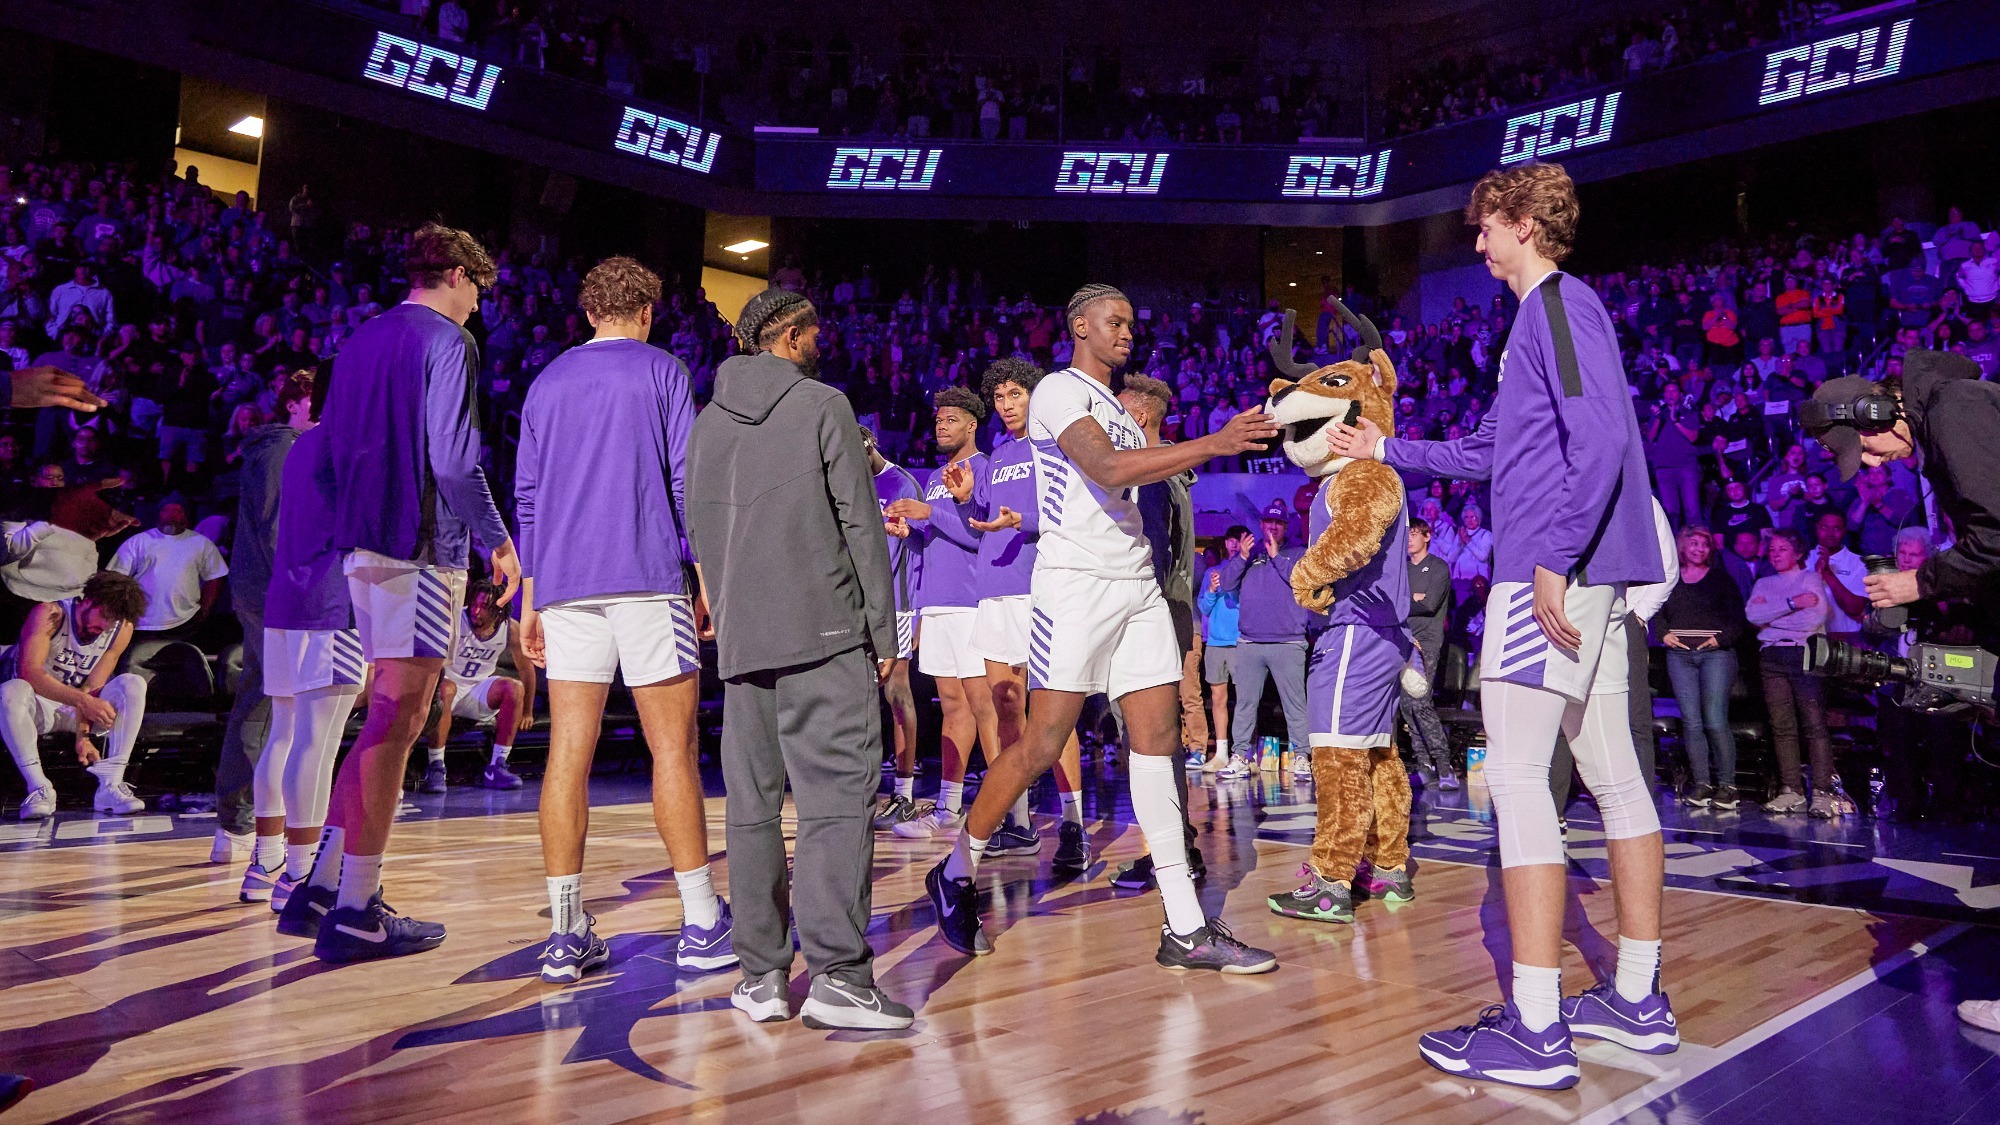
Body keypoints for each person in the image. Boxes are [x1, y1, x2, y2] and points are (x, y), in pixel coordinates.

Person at [1329, 162, 1673, 1089]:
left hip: (1551, 573)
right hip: (1598, 571)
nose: (1477, 244)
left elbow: (1598, 439)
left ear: (1523, 222)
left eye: (1486, 226)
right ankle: (1637, 998)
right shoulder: (1553, 317)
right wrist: (1386, 447)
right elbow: (1498, 448)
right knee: (1613, 776)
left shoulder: (1554, 306)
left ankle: (1533, 1023)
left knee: (1517, 776)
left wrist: (1552, 555)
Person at [924, 282, 1281, 975]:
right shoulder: (1060, 390)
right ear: (1079, 323)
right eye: (1115, 321)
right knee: (1041, 743)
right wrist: (1214, 442)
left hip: (1136, 583)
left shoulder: (1120, 406)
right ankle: (957, 866)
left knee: (1159, 745)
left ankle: (1185, 924)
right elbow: (1109, 467)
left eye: (1130, 321)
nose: (1127, 332)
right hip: (1076, 587)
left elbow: (1133, 472)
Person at [687, 287, 913, 1029]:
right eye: (814, 331)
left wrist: (727, 610)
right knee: (836, 803)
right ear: (787, 335)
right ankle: (840, 978)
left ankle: (759, 977)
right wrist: (885, 636)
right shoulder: (823, 405)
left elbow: (699, 534)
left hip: (743, 641)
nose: (822, 342)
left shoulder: (707, 422)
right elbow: (859, 524)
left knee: (751, 810)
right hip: (826, 635)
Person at [516, 256, 733, 985]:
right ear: (646, 312)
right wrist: (706, 574)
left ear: (587, 312)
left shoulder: (547, 382)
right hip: (645, 580)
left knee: (566, 751)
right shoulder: (663, 370)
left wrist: (530, 600)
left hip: (566, 586)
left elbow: (529, 498)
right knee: (672, 748)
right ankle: (702, 920)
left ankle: (564, 929)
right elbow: (686, 479)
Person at [316, 222, 519, 964]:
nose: (478, 308)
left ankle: (325, 882)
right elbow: (457, 459)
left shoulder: (361, 338)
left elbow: (331, 447)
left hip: (360, 544)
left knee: (381, 716)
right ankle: (358, 907)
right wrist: (499, 539)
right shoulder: (446, 340)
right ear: (460, 274)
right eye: (478, 292)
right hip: (420, 546)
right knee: (398, 722)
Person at [954, 358, 1088, 863]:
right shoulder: (995, 457)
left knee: (1055, 714)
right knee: (1005, 708)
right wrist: (970, 503)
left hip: (1040, 588)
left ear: (1036, 396)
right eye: (1000, 397)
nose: (1007, 405)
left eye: (1016, 394)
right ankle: (1020, 820)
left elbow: (1070, 512)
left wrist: (1023, 521)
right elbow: (979, 526)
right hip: (993, 594)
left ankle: (1074, 825)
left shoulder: (1055, 447)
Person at [257, 377, 370, 926]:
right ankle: (299, 873)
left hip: (285, 598)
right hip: (331, 603)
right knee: (316, 743)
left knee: (284, 732)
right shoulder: (348, 447)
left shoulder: (298, 445)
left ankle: (266, 863)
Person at [886, 387, 996, 843]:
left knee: (985, 706)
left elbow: (981, 538)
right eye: (938, 420)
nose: (941, 426)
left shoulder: (987, 468)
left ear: (972, 424)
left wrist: (929, 512)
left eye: (951, 420)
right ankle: (950, 807)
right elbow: (934, 544)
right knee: (951, 705)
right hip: (936, 603)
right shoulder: (932, 476)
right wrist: (910, 533)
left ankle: (1006, 807)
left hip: (971, 602)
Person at [213, 369, 315, 866]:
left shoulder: (281, 446)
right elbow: (278, 529)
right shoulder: (281, 449)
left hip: (267, 589)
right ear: (294, 404)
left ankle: (239, 821)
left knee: (267, 699)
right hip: (272, 591)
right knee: (270, 702)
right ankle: (242, 822)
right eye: (317, 401)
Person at [1, 571, 150, 819]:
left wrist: (84, 736)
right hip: (36, 707)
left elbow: (92, 687)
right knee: (11, 689)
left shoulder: (121, 629)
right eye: (104, 616)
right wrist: (83, 701)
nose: (104, 627)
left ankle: (111, 784)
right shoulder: (50, 614)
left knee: (132, 683)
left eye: (111, 622)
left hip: (75, 708)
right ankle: (39, 788)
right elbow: (31, 673)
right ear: (88, 600)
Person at [1213, 500, 1311, 778]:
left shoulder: (1298, 553)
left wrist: (1277, 555)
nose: (1273, 526)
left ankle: (1302, 757)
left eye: (1278, 523)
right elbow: (1227, 584)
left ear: (1285, 527)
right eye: (1269, 522)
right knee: (1244, 704)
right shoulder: (1249, 555)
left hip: (1288, 643)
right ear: (1261, 524)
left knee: (1295, 704)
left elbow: (1300, 581)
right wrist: (1241, 558)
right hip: (1250, 643)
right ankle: (1240, 756)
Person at [862, 427, 927, 830]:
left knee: (896, 690)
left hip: (899, 603)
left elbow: (921, 546)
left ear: (870, 445)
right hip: (861, 605)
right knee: (864, 697)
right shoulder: (849, 482)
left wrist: (918, 612)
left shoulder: (902, 482)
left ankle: (904, 793)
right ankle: (867, 790)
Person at [1744, 529, 1835, 817]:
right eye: (1771, 549)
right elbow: (1752, 616)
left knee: (1814, 723)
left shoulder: (1810, 578)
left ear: (1797, 553)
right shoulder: (1764, 582)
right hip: (1771, 656)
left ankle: (1822, 792)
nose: (1775, 553)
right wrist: (1792, 604)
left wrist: (1771, 619)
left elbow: (1814, 618)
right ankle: (1791, 791)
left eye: (1782, 549)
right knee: (1782, 726)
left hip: (1804, 654)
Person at [1656, 525, 1747, 809]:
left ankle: (1728, 786)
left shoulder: (1721, 580)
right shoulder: (1671, 578)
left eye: (1704, 545)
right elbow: (1655, 609)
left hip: (1714, 655)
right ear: (1683, 546)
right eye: (1693, 543)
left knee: (1715, 720)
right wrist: (1662, 634)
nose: (1699, 549)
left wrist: (1719, 640)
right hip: (1680, 655)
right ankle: (1702, 784)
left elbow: (1737, 619)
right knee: (1692, 723)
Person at [422, 582, 534, 792]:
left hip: (477, 690)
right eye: (475, 605)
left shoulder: (510, 629)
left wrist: (528, 711)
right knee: (446, 688)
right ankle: (436, 766)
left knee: (514, 687)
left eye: (484, 607)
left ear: (498, 611)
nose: (477, 611)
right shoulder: (456, 620)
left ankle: (497, 767)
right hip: (447, 690)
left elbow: (527, 672)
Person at [107, 498, 228, 643]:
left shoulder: (201, 543)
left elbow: (215, 577)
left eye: (178, 511)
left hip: (185, 620)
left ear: (185, 517)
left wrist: (204, 611)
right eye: (166, 511)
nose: (172, 515)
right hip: (141, 621)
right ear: (158, 515)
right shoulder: (138, 541)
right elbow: (116, 576)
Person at [1403, 517, 1457, 787]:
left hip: (1426, 641)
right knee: (1405, 705)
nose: (1410, 538)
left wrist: (1407, 600)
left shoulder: (1438, 568)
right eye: (1408, 533)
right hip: (1402, 640)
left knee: (1420, 702)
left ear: (1427, 536)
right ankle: (1423, 763)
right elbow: (1392, 601)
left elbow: (1430, 604)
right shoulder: (1401, 570)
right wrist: (1413, 598)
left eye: (1415, 533)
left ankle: (1445, 766)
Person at [1193, 525, 1248, 772]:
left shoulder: (1249, 570)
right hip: (1215, 643)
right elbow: (1204, 608)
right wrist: (1214, 590)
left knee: (1246, 700)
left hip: (1240, 642)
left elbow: (1246, 603)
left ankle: (1245, 751)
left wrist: (1230, 587)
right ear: (1225, 544)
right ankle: (1222, 753)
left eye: (1239, 541)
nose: (1234, 545)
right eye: (1230, 541)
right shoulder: (1212, 572)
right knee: (1218, 698)